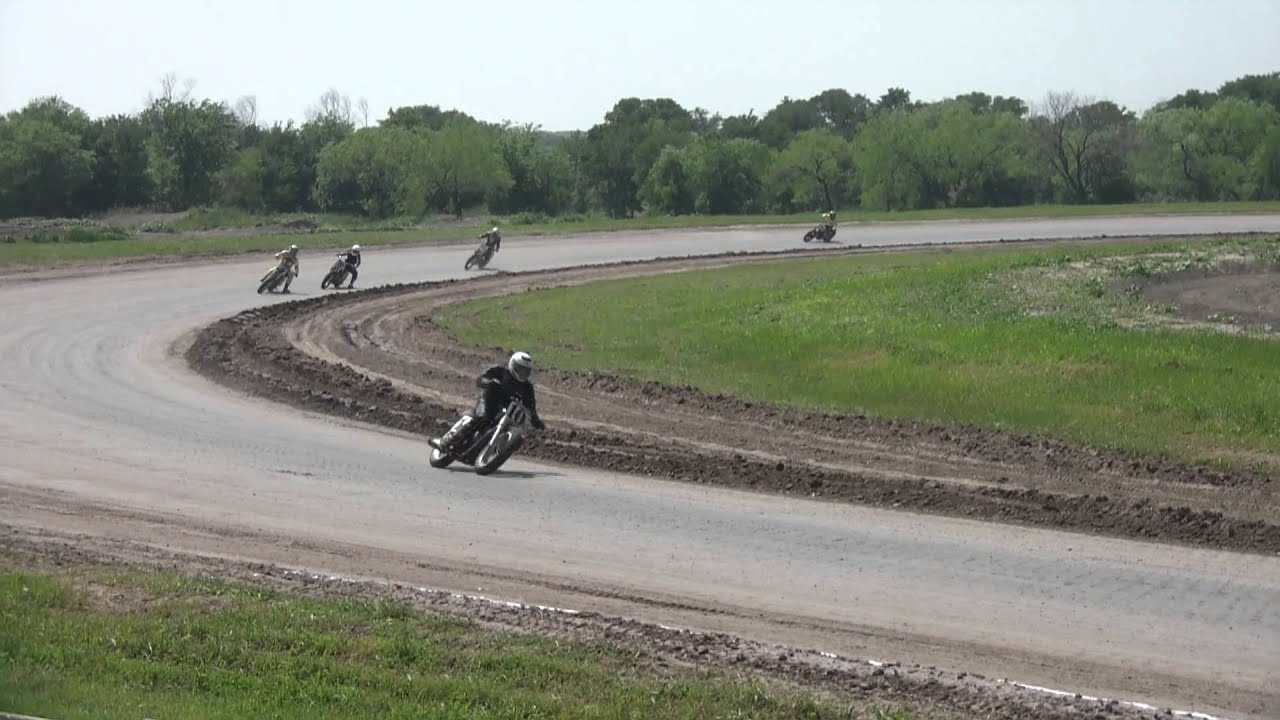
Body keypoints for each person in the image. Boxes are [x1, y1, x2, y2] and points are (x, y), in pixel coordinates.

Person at [429, 351, 546, 454]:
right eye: (520, 369)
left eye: (525, 371)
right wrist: (489, 382)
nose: (522, 373)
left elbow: (531, 406)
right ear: (512, 364)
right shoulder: (501, 370)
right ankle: (448, 439)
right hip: (489, 399)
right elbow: (481, 378)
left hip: (506, 409)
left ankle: (497, 448)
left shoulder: (527, 387)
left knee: (511, 425)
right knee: (483, 417)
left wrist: (537, 422)